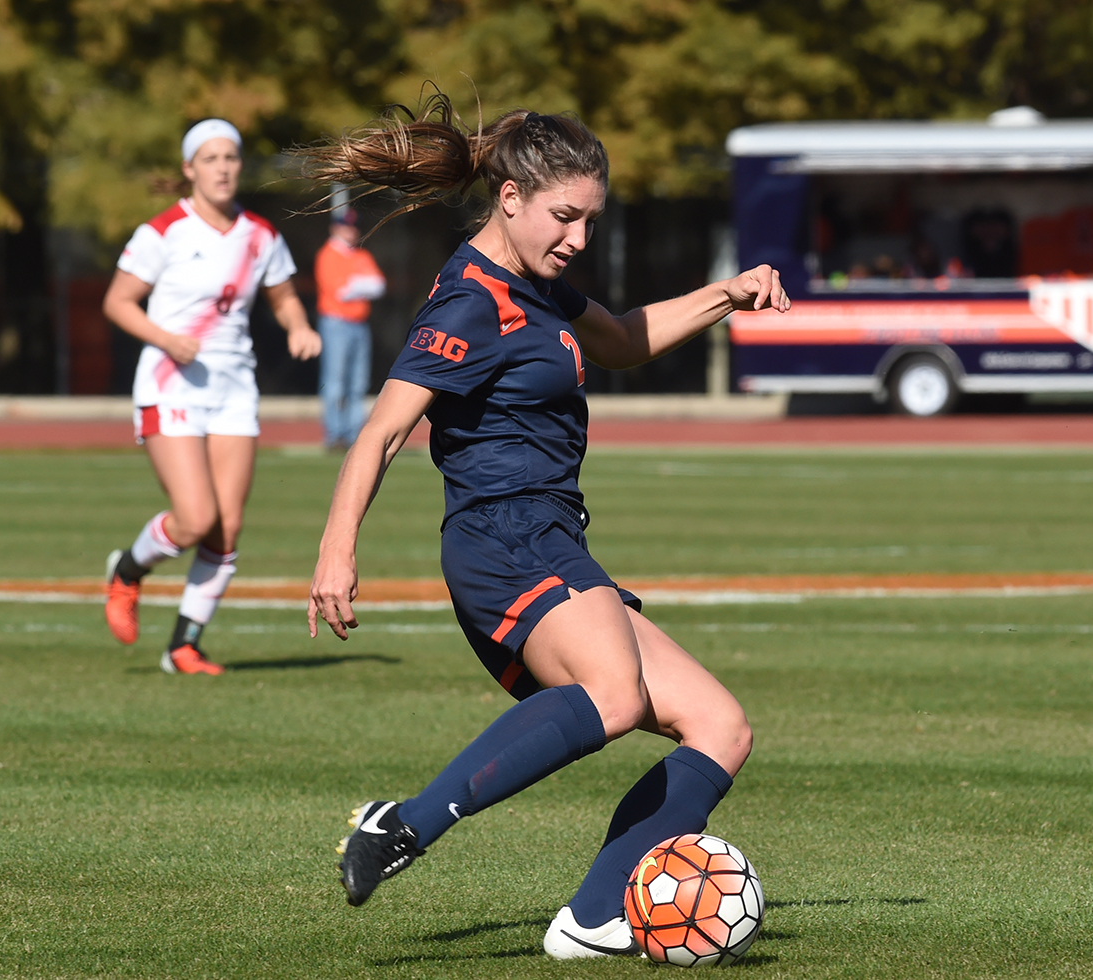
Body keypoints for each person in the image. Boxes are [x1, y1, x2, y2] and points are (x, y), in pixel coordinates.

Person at [299, 94, 788, 957]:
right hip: (501, 536)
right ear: (511, 199)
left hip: (552, 538)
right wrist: (336, 554)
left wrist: (728, 292)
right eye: (565, 217)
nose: (578, 238)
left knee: (721, 725)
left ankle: (593, 919)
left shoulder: (543, 287)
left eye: (592, 221)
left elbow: (625, 343)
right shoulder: (471, 304)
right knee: (614, 695)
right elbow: (379, 430)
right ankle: (403, 824)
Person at [100, 119, 322, 675]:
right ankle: (127, 571)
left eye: (231, 157)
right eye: (211, 157)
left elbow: (284, 297)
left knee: (226, 528)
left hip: (233, 389)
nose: (223, 167)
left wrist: (298, 326)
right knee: (195, 519)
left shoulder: (260, 235)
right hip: (170, 383)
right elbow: (119, 302)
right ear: (189, 169)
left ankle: (184, 647)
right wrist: (166, 338)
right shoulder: (165, 231)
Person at [314, 208, 386, 449]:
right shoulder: (328, 255)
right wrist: (360, 284)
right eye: (346, 226)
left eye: (354, 227)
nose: (351, 231)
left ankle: (354, 434)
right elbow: (341, 291)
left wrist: (356, 284)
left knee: (358, 382)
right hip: (335, 323)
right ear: (335, 228)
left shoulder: (360, 256)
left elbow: (378, 285)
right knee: (335, 382)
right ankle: (335, 434)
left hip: (358, 324)